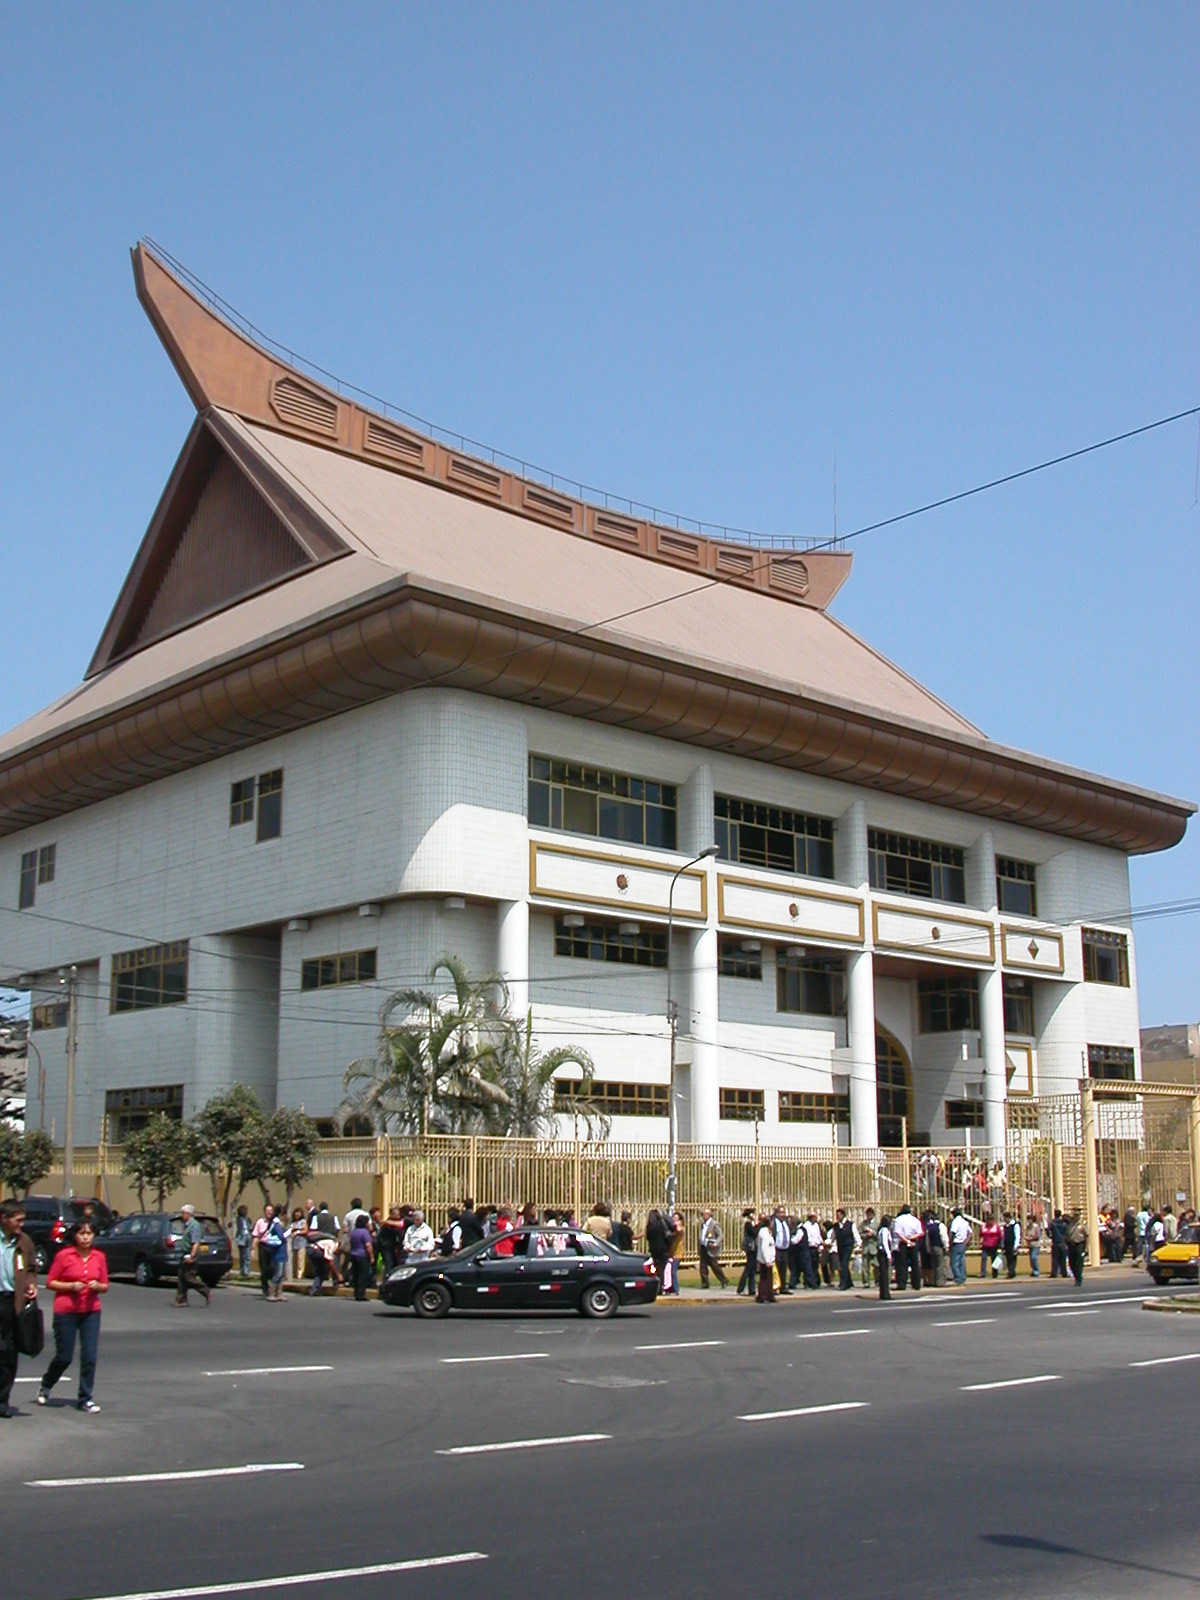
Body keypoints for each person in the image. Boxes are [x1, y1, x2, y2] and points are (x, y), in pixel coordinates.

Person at [38, 1218, 109, 1412]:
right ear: (75, 1236)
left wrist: (98, 1286)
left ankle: (85, 1397)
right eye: (81, 1233)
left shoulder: (99, 1257)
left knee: (89, 1356)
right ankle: (46, 1384)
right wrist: (70, 1286)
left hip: (91, 1311)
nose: (85, 1238)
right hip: (66, 1310)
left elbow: (105, 1285)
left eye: (89, 1234)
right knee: (64, 1356)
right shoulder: (64, 1255)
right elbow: (51, 1281)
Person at [0, 1199, 39, 1418]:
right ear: (4, 1219)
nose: (21, 1224)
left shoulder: (24, 1242)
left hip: (11, 1302)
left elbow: (31, 1268)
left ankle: (2, 1400)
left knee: (8, 1352)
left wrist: (31, 1284)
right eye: (18, 1219)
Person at [175, 1203, 212, 1307]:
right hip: (185, 1253)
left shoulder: (194, 1226)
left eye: (183, 1213)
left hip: (191, 1253)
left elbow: (195, 1242)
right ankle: (182, 1300)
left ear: (189, 1214)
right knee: (182, 1277)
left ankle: (206, 1291)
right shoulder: (187, 1225)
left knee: (189, 1277)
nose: (182, 1215)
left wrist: (192, 1256)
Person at [258, 1206, 288, 1301]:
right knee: (278, 1273)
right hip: (278, 1251)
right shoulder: (276, 1224)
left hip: (281, 1251)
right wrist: (290, 1232)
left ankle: (279, 1293)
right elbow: (281, 1236)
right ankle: (271, 1292)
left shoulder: (279, 1223)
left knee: (280, 1274)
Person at [892, 1206, 923, 1291]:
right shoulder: (915, 1220)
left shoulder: (898, 1220)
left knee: (902, 1264)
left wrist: (906, 1240)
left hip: (902, 1242)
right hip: (913, 1241)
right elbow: (920, 1233)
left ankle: (902, 1283)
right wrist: (911, 1238)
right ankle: (916, 1284)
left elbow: (898, 1233)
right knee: (915, 1263)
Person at [698, 1208, 728, 1288]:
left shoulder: (714, 1224)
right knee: (703, 1267)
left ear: (709, 1215)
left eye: (705, 1214)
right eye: (703, 1214)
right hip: (704, 1247)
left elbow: (720, 1235)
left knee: (715, 1266)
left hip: (711, 1248)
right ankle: (705, 1283)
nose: (703, 1216)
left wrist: (715, 1243)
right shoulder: (703, 1224)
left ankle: (723, 1280)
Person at [349, 1212, 375, 1300]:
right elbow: (368, 1245)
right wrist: (371, 1257)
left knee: (356, 1275)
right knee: (362, 1276)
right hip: (362, 1256)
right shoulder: (365, 1232)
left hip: (354, 1254)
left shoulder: (353, 1232)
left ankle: (356, 1293)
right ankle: (361, 1294)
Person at [833, 1208, 859, 1291]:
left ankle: (843, 1283)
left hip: (848, 1246)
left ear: (843, 1215)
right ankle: (849, 1282)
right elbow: (833, 1237)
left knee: (844, 1263)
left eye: (839, 1215)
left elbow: (855, 1235)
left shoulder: (850, 1224)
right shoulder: (836, 1226)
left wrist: (858, 1244)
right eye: (836, 1215)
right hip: (840, 1246)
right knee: (843, 1264)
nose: (837, 1217)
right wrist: (826, 1243)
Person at [755, 1214, 777, 1302]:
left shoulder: (768, 1232)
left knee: (769, 1279)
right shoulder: (763, 1232)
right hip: (764, 1260)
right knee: (764, 1279)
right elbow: (764, 1247)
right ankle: (763, 1296)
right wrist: (767, 1260)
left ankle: (769, 1295)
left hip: (770, 1259)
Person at [948, 1208, 972, 1285]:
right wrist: (966, 1241)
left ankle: (958, 1278)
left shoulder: (955, 1222)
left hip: (956, 1243)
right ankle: (962, 1277)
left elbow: (953, 1233)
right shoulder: (964, 1222)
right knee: (961, 1262)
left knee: (954, 1263)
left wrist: (950, 1243)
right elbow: (970, 1233)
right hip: (962, 1243)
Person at [737, 1208, 757, 1295]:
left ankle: (752, 1289)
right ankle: (741, 1287)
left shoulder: (751, 1224)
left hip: (754, 1248)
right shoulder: (748, 1224)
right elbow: (754, 1233)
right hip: (750, 1248)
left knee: (752, 1269)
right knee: (749, 1268)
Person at [1064, 1210, 1087, 1286]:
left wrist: (1086, 1247)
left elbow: (1086, 1236)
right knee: (1071, 1263)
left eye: (1077, 1215)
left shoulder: (1082, 1224)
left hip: (1079, 1244)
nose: (1075, 1217)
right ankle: (1076, 1276)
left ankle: (1078, 1278)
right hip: (1071, 1244)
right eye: (1074, 1215)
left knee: (1079, 1262)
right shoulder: (1070, 1225)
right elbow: (1066, 1234)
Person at [876, 1214, 894, 1301]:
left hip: (881, 1253)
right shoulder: (885, 1231)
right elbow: (885, 1243)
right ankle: (885, 1293)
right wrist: (889, 1255)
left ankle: (883, 1293)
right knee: (884, 1274)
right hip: (883, 1253)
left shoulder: (881, 1230)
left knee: (883, 1273)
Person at [979, 1214, 1002, 1279]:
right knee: (984, 1259)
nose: (990, 1221)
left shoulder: (996, 1227)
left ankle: (995, 1273)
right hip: (985, 1246)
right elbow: (980, 1235)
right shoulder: (983, 1227)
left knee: (994, 1260)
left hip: (994, 1246)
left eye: (991, 1219)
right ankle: (983, 1273)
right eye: (988, 1219)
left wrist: (999, 1243)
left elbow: (1000, 1236)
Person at [860, 1208, 878, 1288]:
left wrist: (872, 1233)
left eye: (870, 1214)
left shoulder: (877, 1223)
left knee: (877, 1265)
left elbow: (879, 1234)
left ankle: (878, 1280)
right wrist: (865, 1235)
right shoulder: (863, 1223)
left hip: (874, 1246)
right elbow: (860, 1233)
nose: (868, 1216)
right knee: (865, 1266)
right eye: (867, 1214)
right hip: (866, 1247)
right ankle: (866, 1282)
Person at [1048, 1209, 1069, 1278]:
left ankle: (1054, 1273)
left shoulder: (1053, 1223)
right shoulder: (1064, 1223)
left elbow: (1048, 1231)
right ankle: (1064, 1273)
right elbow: (1067, 1232)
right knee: (1063, 1259)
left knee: (1055, 1259)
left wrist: (1051, 1236)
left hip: (1055, 1242)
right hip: (1063, 1242)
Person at [1002, 1212, 1022, 1279]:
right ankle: (1011, 1271)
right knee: (1008, 1258)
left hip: (1012, 1244)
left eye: (1005, 1218)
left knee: (1012, 1259)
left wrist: (1016, 1245)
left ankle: (1011, 1272)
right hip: (1007, 1244)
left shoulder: (1015, 1225)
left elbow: (1017, 1236)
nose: (1004, 1219)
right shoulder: (1005, 1226)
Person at [234, 1205, 252, 1278]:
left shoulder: (248, 1219)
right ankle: (242, 1270)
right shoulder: (239, 1219)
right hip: (242, 1238)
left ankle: (246, 1270)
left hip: (248, 1236)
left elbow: (250, 1226)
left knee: (247, 1254)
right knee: (242, 1255)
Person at [1027, 1212, 1043, 1277]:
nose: (1028, 1221)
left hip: (1036, 1244)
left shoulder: (1036, 1227)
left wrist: (1030, 1238)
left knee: (1034, 1257)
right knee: (1031, 1259)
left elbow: (1037, 1236)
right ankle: (1034, 1270)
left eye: (1029, 1219)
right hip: (1030, 1245)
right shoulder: (1028, 1227)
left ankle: (1037, 1271)